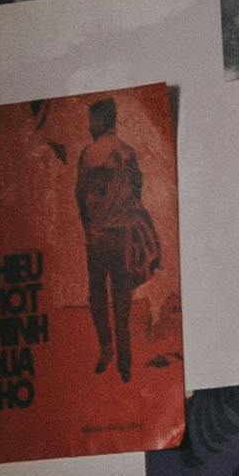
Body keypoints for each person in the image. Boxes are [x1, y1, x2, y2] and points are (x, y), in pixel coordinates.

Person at [69, 94, 155, 382]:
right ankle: (125, 362)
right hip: (123, 236)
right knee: (122, 298)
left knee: (98, 295)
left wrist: (88, 226)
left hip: (98, 236)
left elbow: (80, 195)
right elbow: (137, 192)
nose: (89, 125)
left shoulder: (89, 153)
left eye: (91, 119)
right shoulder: (128, 152)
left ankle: (106, 348)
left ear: (101, 120)